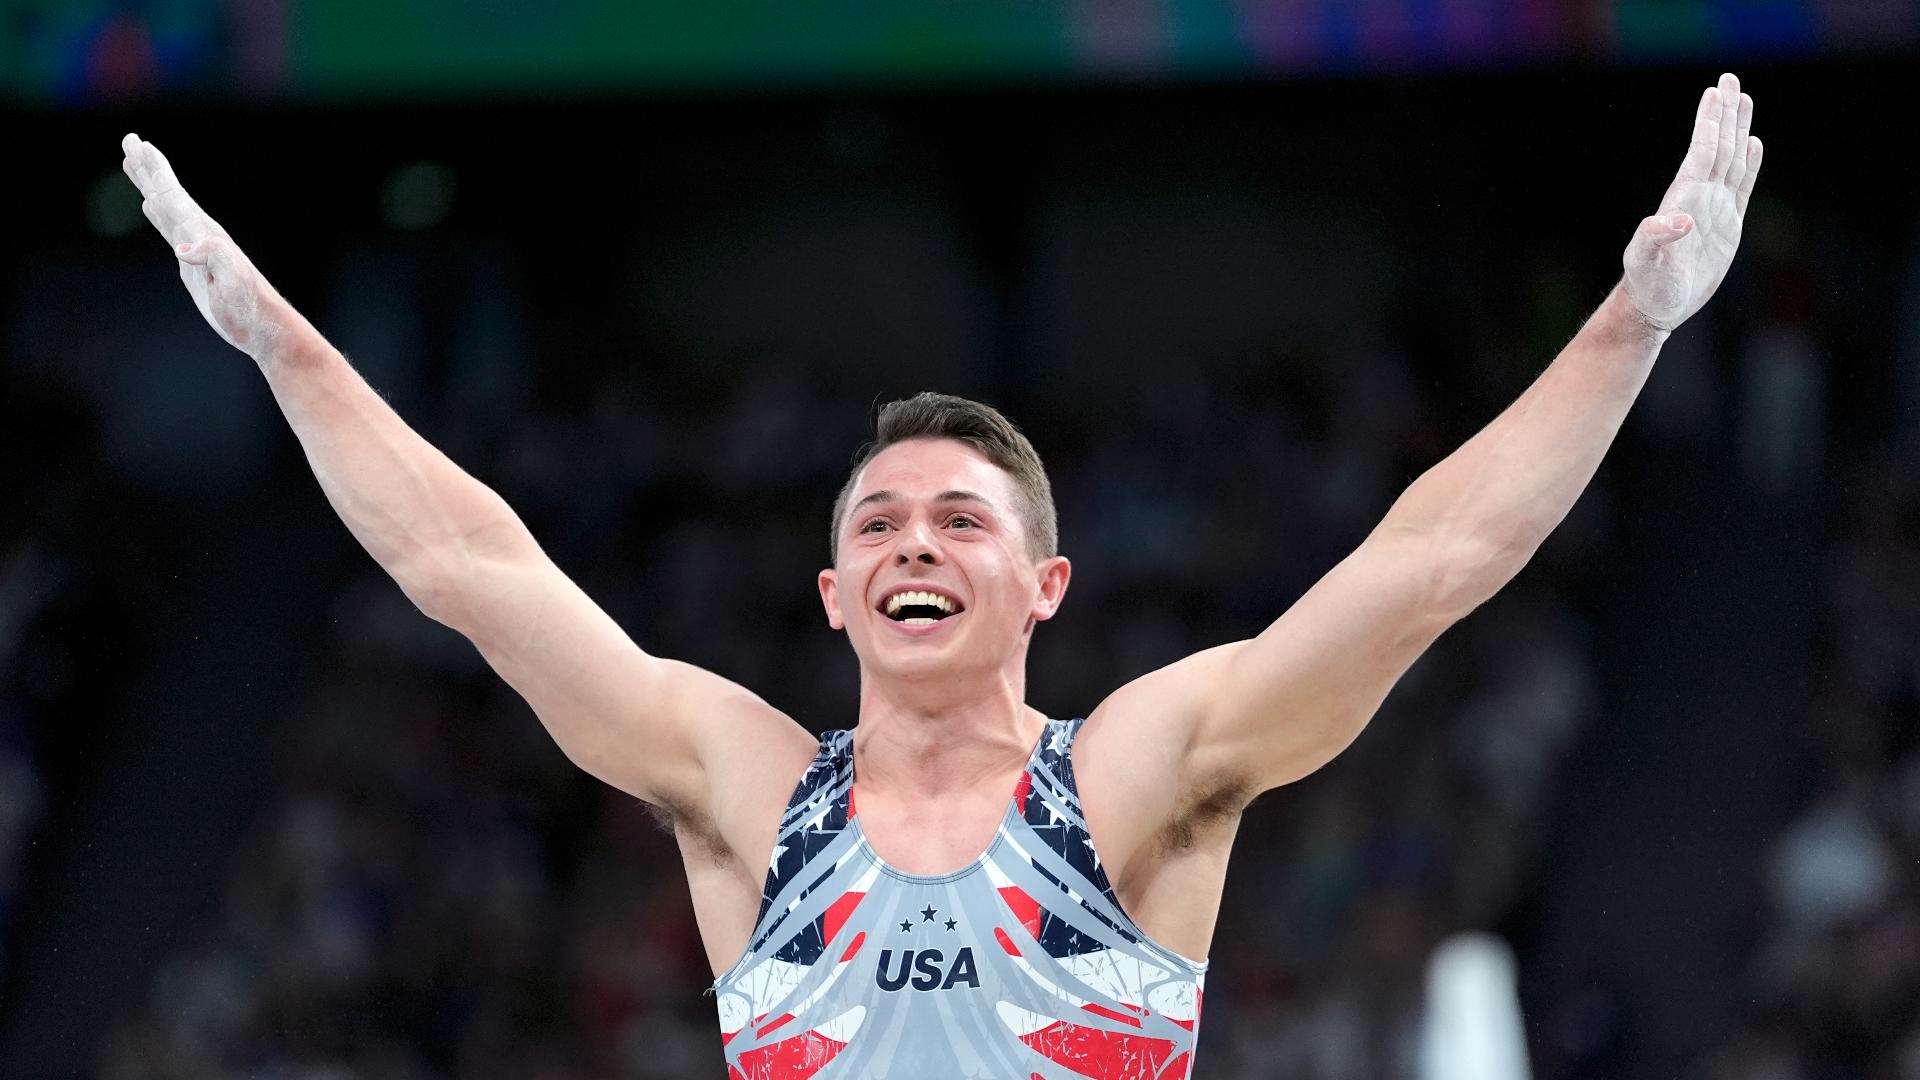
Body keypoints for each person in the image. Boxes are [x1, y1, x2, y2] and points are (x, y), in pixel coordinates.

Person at [120, 72, 1763, 1078]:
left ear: (1047, 587)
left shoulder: (1137, 778)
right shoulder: (744, 794)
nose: (916, 540)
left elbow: (1428, 564)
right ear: (830, 597)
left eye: (963, 520)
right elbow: (467, 560)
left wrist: (1634, 323)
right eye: (880, 523)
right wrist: (287, 348)